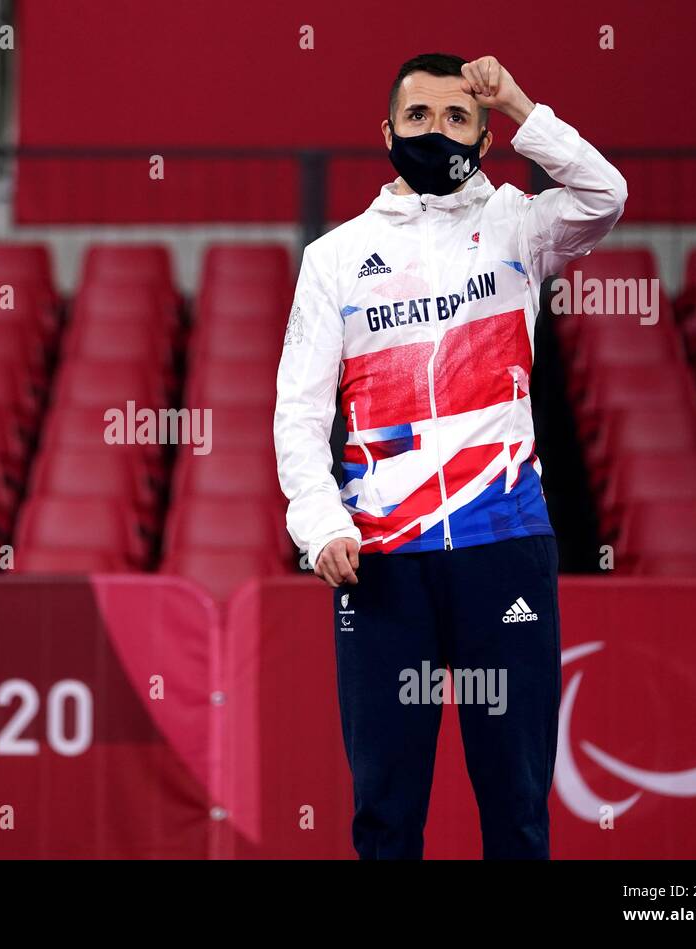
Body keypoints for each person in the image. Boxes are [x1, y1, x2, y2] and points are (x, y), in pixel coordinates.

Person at [273, 53, 627, 859]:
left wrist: (522, 103)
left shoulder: (517, 224)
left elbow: (606, 195)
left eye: (458, 118)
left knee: (516, 804)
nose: (437, 132)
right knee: (387, 813)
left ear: (487, 133)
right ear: (388, 132)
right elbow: (298, 410)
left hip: (504, 545)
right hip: (383, 559)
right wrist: (320, 522)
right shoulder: (333, 258)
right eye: (420, 117)